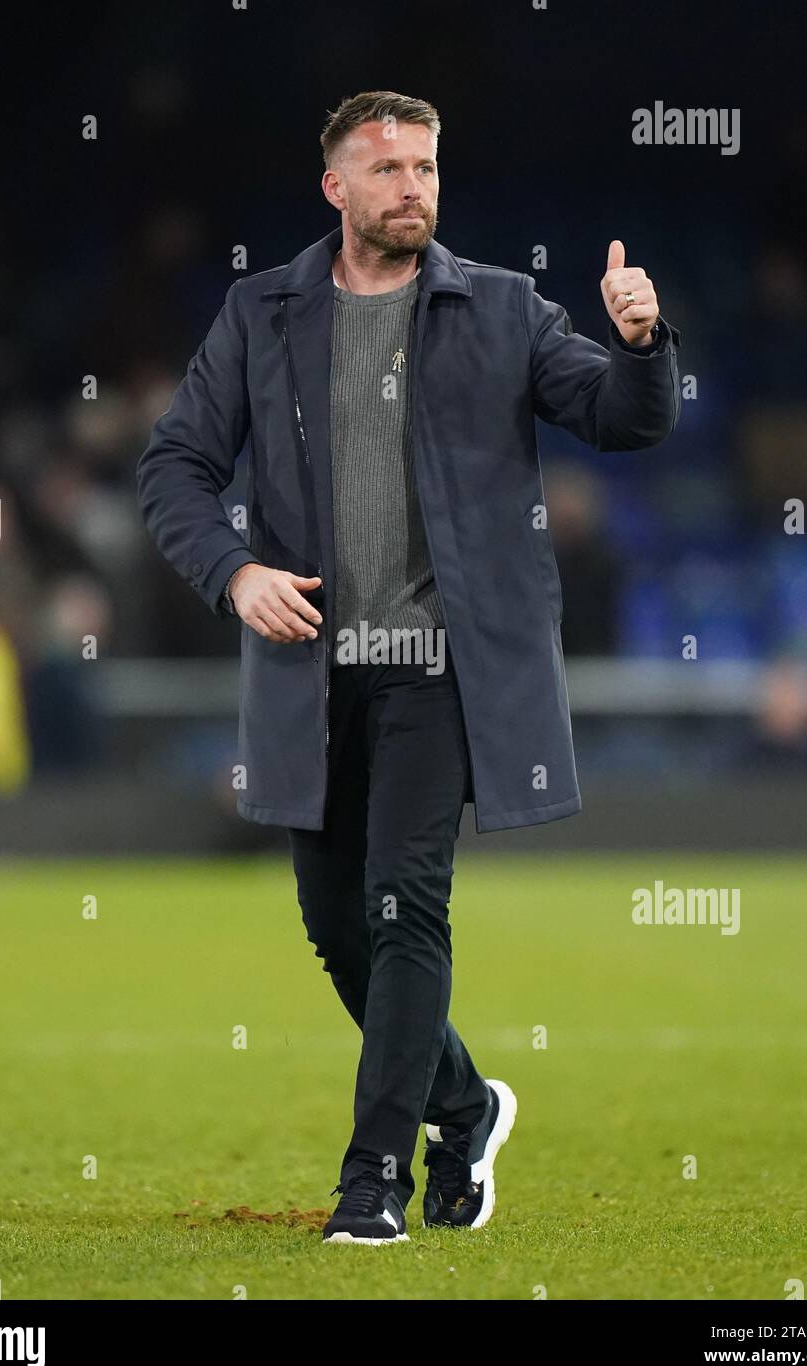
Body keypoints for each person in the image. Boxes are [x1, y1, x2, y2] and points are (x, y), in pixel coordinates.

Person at [136, 90, 681, 1244]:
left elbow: (619, 419)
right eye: (385, 168)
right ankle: (466, 1105)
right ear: (333, 187)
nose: (413, 187)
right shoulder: (262, 313)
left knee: (403, 907)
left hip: (436, 667)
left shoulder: (500, 308)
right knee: (335, 924)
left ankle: (371, 1181)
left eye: (426, 166)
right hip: (309, 667)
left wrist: (640, 345)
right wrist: (236, 573)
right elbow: (174, 468)